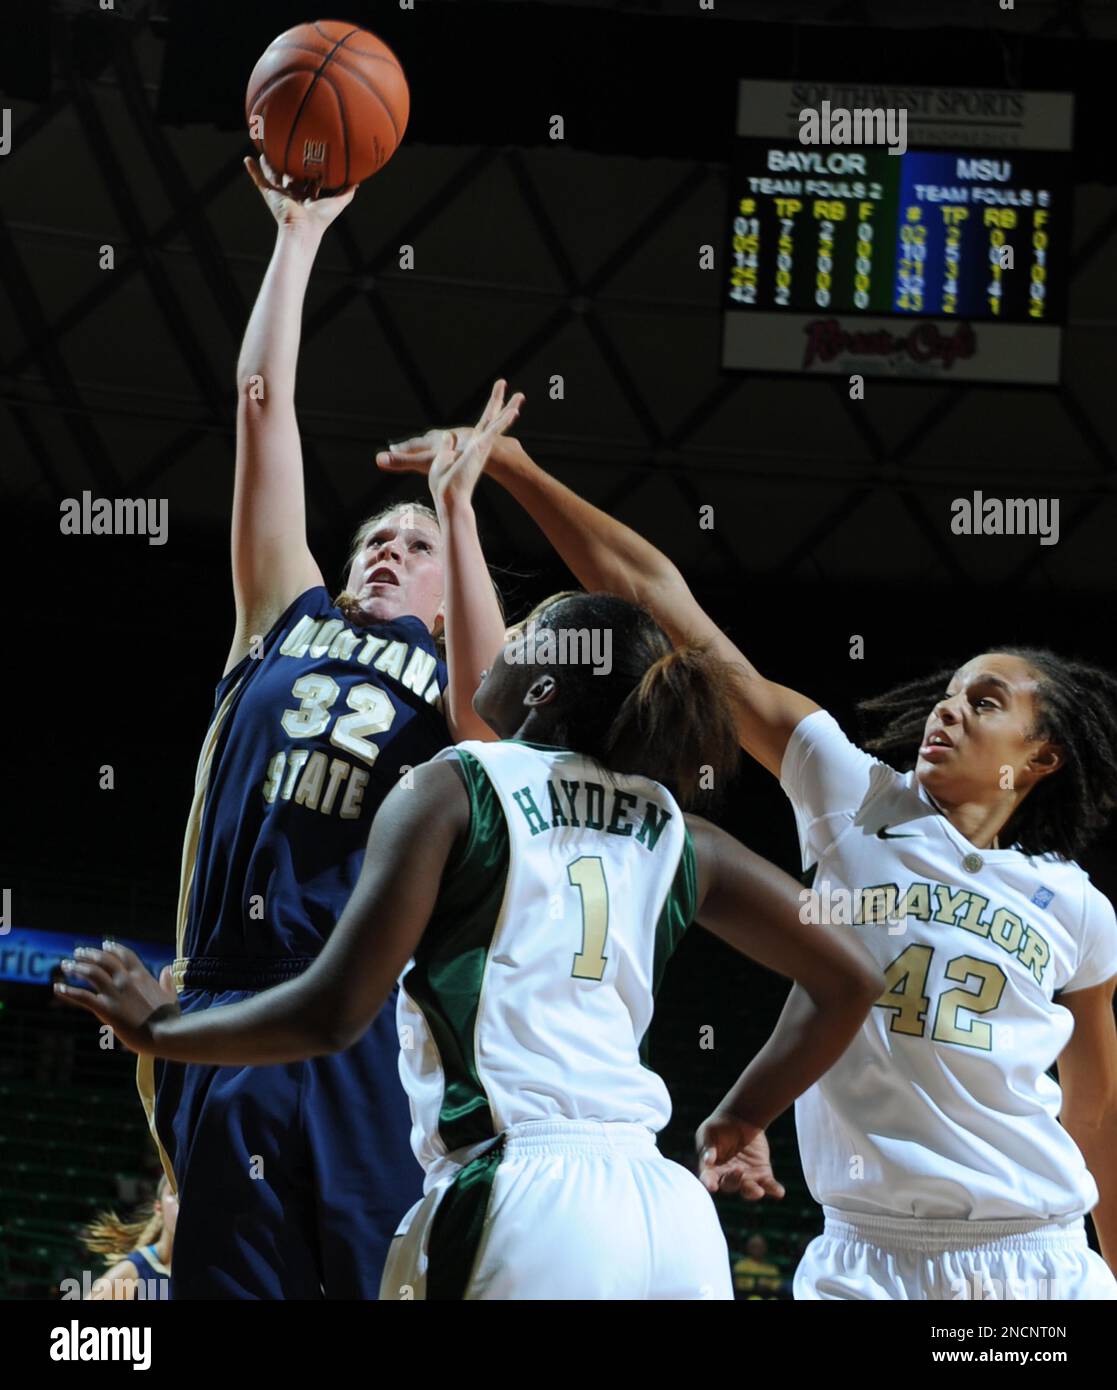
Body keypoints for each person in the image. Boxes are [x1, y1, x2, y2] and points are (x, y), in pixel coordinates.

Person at [374, 423, 1117, 1301]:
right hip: (865, 1256)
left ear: (1039, 759)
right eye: (946, 694)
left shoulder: (1073, 906)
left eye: (983, 702)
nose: (945, 713)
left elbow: (1095, 1111)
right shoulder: (853, 795)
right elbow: (658, 596)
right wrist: (519, 468)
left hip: (1034, 1250)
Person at [57, 588, 882, 1300]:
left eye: (524, 630)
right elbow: (850, 975)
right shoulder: (680, 833)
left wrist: (160, 1031)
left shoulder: (453, 784)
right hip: (668, 1215)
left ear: (545, 686)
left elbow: (333, 1015)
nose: (500, 637)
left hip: (517, 1194)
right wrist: (741, 1115)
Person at [127, 153, 518, 1298]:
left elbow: (490, 731)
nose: (385, 550)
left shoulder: (456, 674)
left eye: (415, 547)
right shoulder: (281, 619)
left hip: (361, 1013)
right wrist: (295, 244)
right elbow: (263, 415)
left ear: (453, 588)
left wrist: (459, 503)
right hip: (232, 994)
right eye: (372, 541)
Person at [80, 1175, 176, 1300]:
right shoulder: (134, 1269)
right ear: (159, 1208)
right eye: (175, 1194)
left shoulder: (205, 1272)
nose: (184, 1204)